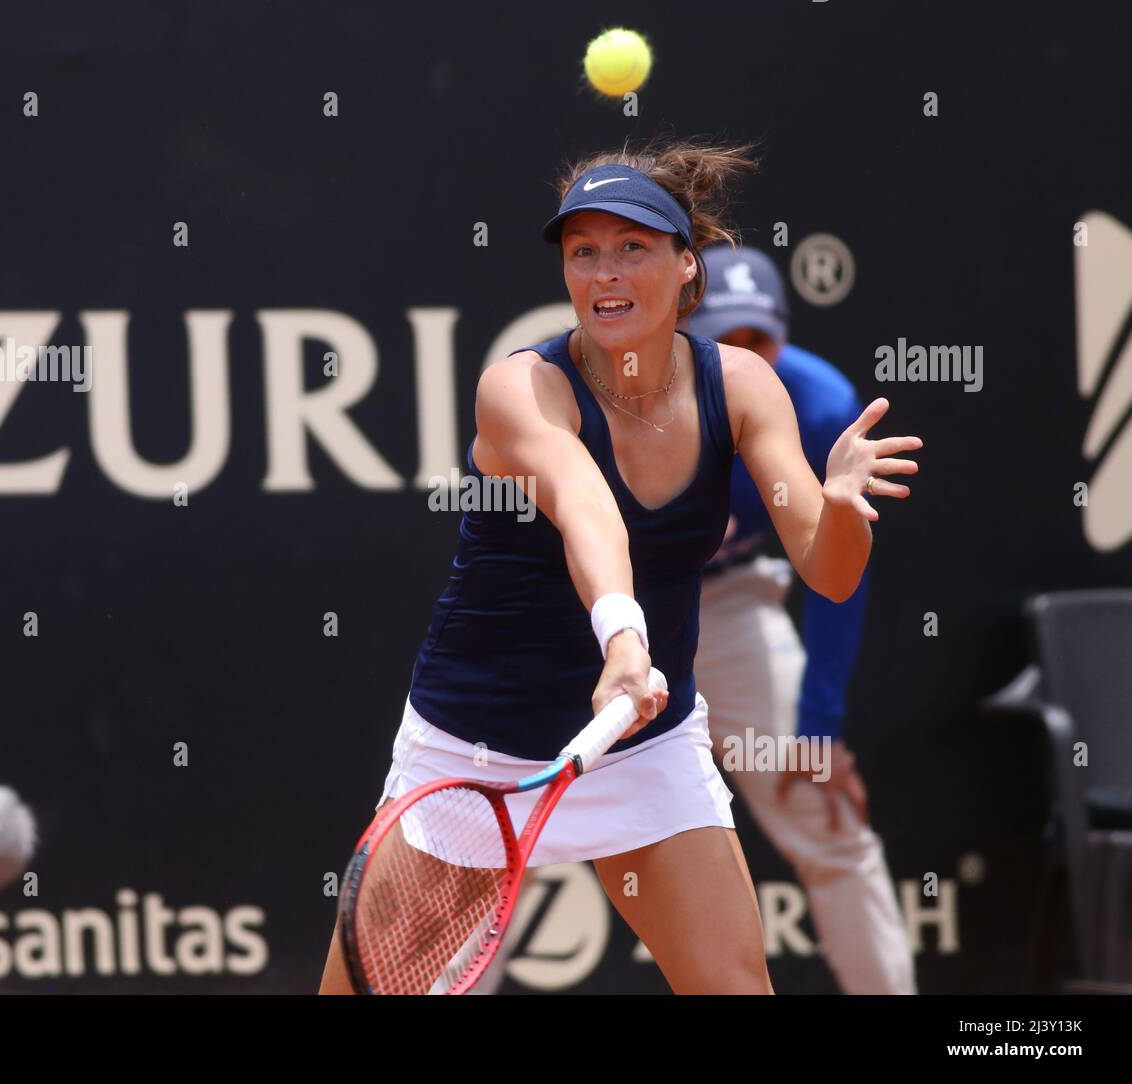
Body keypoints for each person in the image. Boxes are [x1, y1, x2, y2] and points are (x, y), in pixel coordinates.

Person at [317, 137, 922, 995]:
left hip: (644, 750)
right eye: (583, 253)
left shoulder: (743, 386)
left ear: (686, 267)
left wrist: (845, 511)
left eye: (631, 249)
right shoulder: (520, 388)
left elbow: (827, 572)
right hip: (476, 749)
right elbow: (584, 503)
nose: (604, 274)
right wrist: (625, 641)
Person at [686, 244, 917, 994]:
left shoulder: (817, 407)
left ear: (781, 338)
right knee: (505, 826)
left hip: (723, 605)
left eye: (759, 337)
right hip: (591, 616)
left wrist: (818, 728)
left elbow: (837, 574)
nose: (744, 353)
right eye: (726, 336)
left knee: (821, 804)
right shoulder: (628, 387)